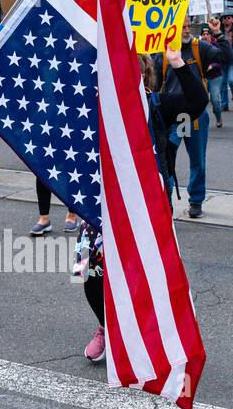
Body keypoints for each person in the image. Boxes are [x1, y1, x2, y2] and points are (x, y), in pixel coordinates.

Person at [80, 47, 207, 361]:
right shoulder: (91, 107)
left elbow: (197, 102)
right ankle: (105, 327)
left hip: (146, 208)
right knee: (89, 275)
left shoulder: (157, 104)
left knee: (147, 276)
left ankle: (150, 336)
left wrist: (178, 61)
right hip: (99, 207)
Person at [161, 20, 221, 218]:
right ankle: (164, 201)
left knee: (197, 160)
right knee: (166, 159)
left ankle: (196, 200)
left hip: (194, 115)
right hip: (171, 117)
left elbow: (225, 57)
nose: (186, 30)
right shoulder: (160, 50)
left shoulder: (199, 47)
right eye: (182, 27)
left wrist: (218, 34)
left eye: (188, 26)